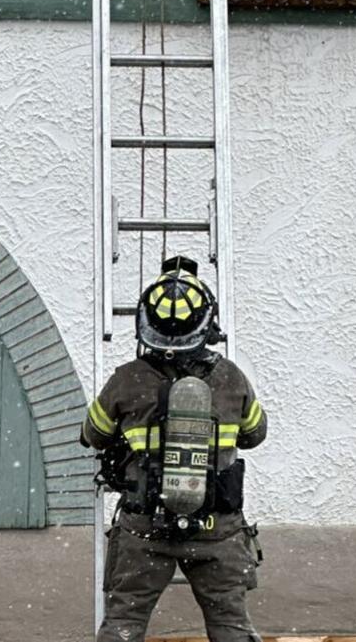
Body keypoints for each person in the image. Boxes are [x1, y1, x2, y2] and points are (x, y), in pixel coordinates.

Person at [81, 256, 268, 642]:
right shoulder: (231, 377)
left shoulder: (126, 379)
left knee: (124, 623)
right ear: (207, 326)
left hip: (145, 529)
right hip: (218, 531)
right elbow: (254, 434)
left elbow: (93, 434)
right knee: (231, 626)